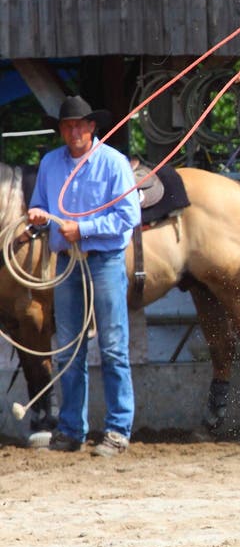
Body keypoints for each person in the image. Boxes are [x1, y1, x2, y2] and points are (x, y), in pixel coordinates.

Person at [27, 95, 140, 456]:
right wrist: (37, 215)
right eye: (67, 125)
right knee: (69, 350)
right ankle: (72, 429)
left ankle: (118, 430)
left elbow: (129, 216)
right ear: (61, 129)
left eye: (80, 125)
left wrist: (85, 229)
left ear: (92, 127)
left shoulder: (114, 163)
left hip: (104, 259)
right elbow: (42, 204)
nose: (74, 131)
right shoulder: (49, 164)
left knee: (112, 346)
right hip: (67, 264)